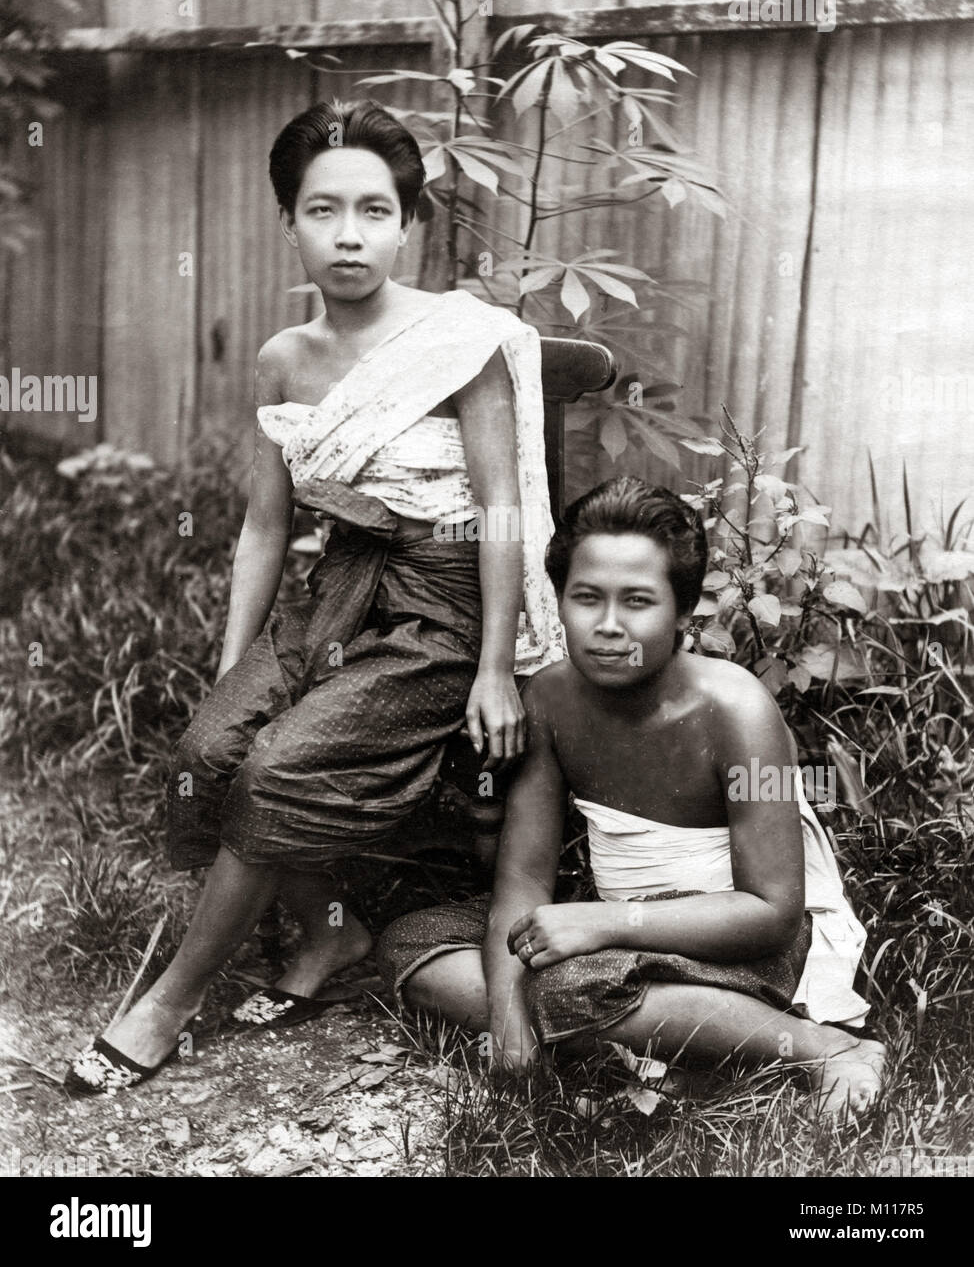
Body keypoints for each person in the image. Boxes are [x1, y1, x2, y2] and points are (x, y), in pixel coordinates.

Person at [66, 99, 563, 1095]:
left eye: (374, 211)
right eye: (322, 209)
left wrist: (496, 669)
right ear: (288, 220)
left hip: (449, 599)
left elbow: (503, 507)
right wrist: (230, 666)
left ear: (407, 222)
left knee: (278, 766)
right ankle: (330, 934)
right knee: (212, 749)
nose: (348, 235)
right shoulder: (284, 358)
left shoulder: (457, 340)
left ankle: (165, 1003)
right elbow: (263, 526)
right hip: (340, 585)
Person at [376, 478, 886, 1117]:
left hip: (749, 938)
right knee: (414, 943)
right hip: (632, 929)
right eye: (587, 598)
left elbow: (772, 911)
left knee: (570, 985)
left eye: (638, 601)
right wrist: (509, 1033)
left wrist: (599, 923)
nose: (609, 627)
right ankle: (647, 1034)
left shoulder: (739, 711)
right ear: (558, 602)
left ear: (681, 612)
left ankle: (824, 1048)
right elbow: (524, 883)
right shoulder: (551, 701)